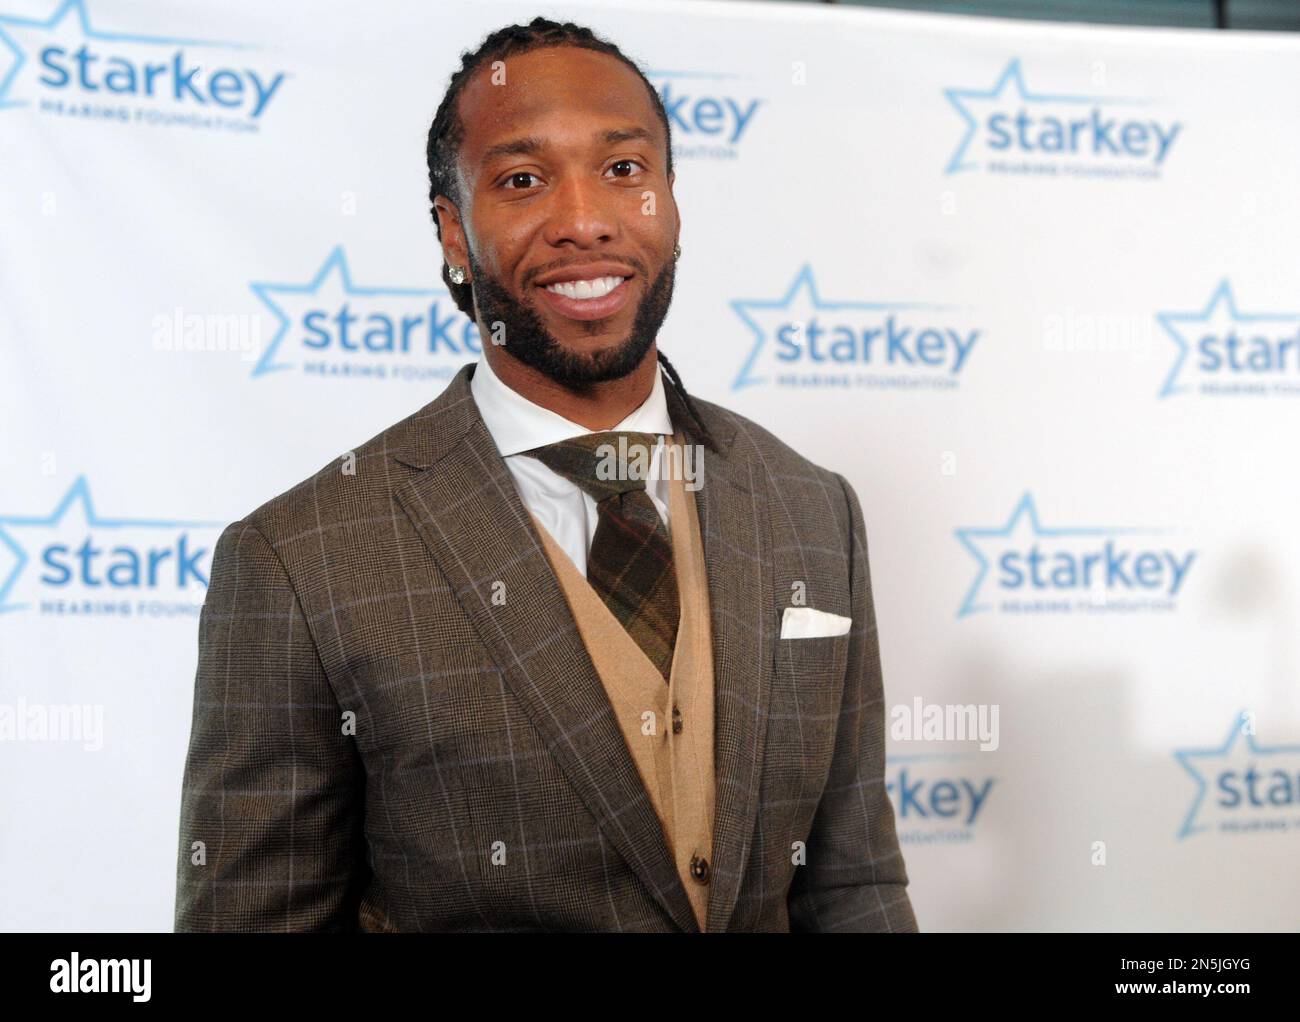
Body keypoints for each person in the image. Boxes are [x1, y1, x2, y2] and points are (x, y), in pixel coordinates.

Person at [174, 16, 916, 933]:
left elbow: (854, 887)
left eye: (624, 169)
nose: (584, 221)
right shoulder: (299, 561)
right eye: (523, 180)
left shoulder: (811, 508)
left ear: (671, 201)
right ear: (454, 231)